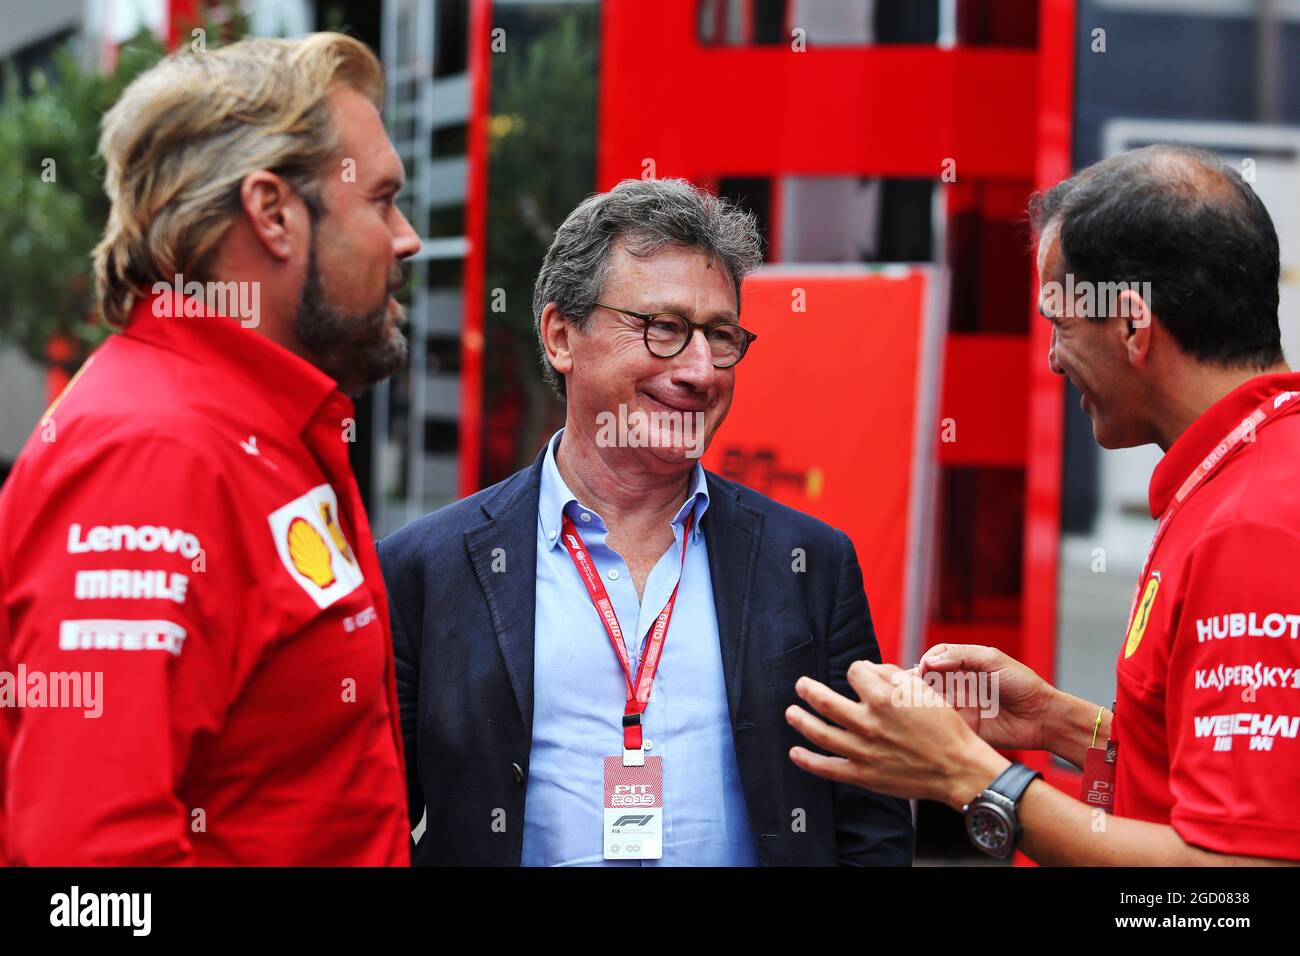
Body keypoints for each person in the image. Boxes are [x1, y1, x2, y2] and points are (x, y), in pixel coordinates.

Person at [787, 144, 1300, 865]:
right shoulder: (1249, 476)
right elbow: (1218, 782)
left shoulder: (1253, 523)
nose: (1054, 358)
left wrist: (968, 776)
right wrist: (1059, 723)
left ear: (1132, 326)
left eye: (1060, 322)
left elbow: (1234, 881)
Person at [379, 178, 914, 866]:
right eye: (665, 329)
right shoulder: (427, 569)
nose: (700, 371)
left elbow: (870, 822)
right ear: (562, 336)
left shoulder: (809, 563)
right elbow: (373, 819)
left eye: (721, 336)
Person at [0, 33, 420, 864]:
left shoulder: (252, 422)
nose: (405, 238)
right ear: (272, 213)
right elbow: (88, 868)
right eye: (380, 202)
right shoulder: (155, 454)